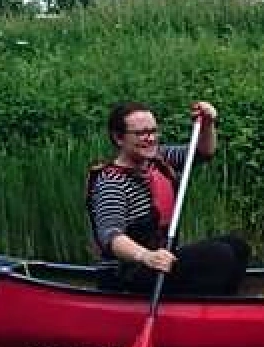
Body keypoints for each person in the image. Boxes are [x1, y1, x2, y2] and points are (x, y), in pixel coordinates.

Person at [87, 100, 250, 295]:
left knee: (237, 246)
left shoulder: (159, 159)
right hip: (127, 274)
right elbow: (111, 237)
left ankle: (223, 305)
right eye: (140, 133)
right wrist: (146, 256)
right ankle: (199, 310)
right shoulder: (111, 182)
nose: (150, 138)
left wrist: (207, 124)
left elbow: (202, 152)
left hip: (161, 263)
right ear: (119, 138)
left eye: (153, 131)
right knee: (218, 255)